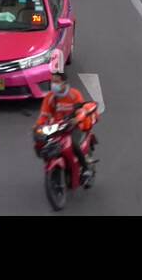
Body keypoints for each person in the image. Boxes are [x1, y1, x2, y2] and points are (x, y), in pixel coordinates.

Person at [35, 50, 97, 186]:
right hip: (58, 128)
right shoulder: (50, 98)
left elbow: (82, 109)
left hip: (75, 127)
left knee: (73, 144)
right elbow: (44, 116)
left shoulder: (74, 95)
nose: (53, 85)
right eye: (52, 82)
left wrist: (76, 119)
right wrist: (38, 128)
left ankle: (85, 168)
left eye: (56, 82)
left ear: (63, 83)